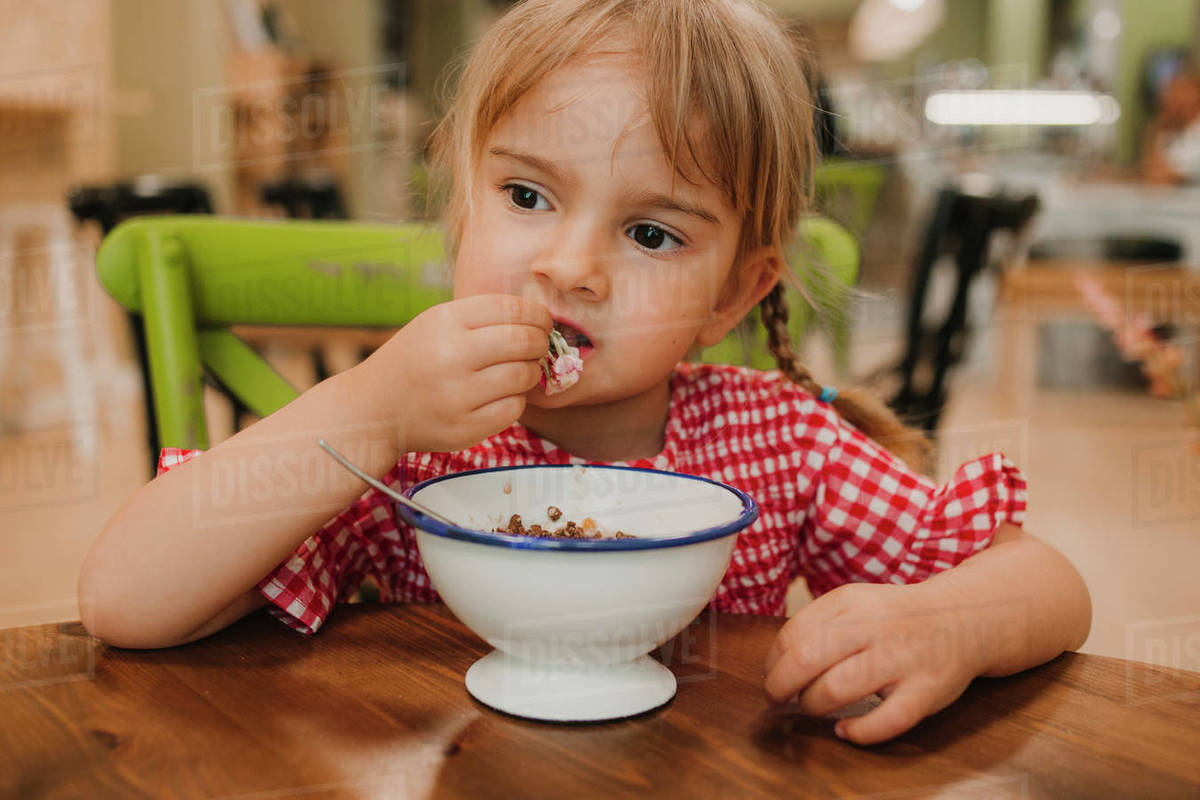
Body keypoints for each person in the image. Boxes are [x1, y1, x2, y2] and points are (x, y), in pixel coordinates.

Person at [80, 0, 1090, 745]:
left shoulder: (780, 443)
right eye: (525, 193)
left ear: (734, 292)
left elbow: (1047, 583)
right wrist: (370, 406)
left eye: (651, 231)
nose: (570, 265)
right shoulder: (403, 453)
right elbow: (123, 598)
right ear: (459, 196)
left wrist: (947, 621)